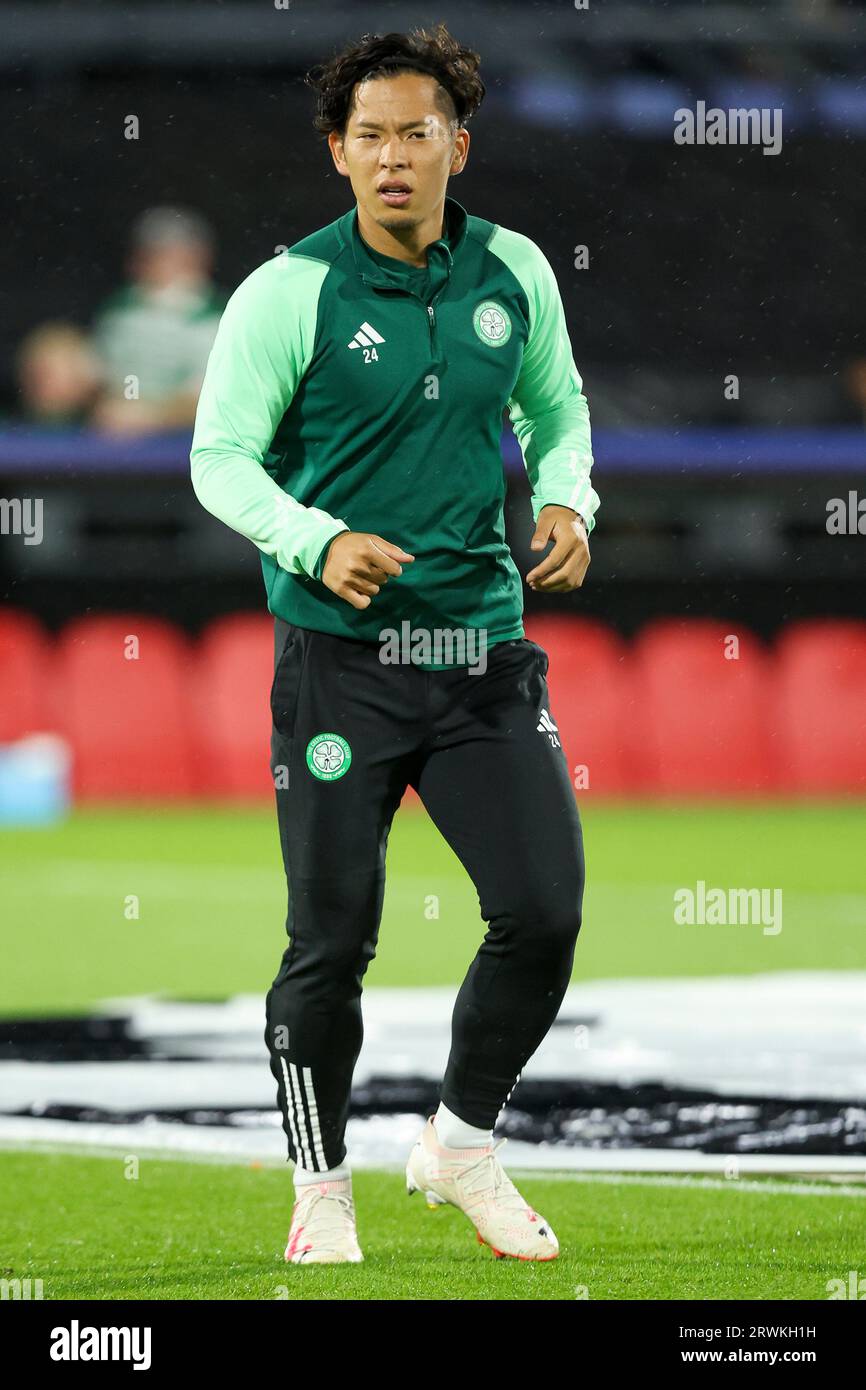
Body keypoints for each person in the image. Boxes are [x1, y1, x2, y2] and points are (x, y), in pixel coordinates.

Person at [190, 23, 599, 1265]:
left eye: (416, 133)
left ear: (455, 144)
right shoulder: (287, 291)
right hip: (341, 669)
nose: (391, 157)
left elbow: (557, 406)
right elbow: (218, 460)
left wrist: (569, 496)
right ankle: (321, 1185)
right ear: (337, 153)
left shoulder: (514, 270)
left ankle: (462, 1143)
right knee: (332, 943)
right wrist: (314, 539)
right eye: (367, 136)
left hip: (479, 656)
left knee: (542, 912)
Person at [91, 206, 226, 435]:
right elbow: (100, 372)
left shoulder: (220, 315)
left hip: (187, 444)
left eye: (174, 256)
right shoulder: (121, 309)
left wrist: (153, 417)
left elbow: (215, 394)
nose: (161, 266)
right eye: (153, 255)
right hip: (116, 438)